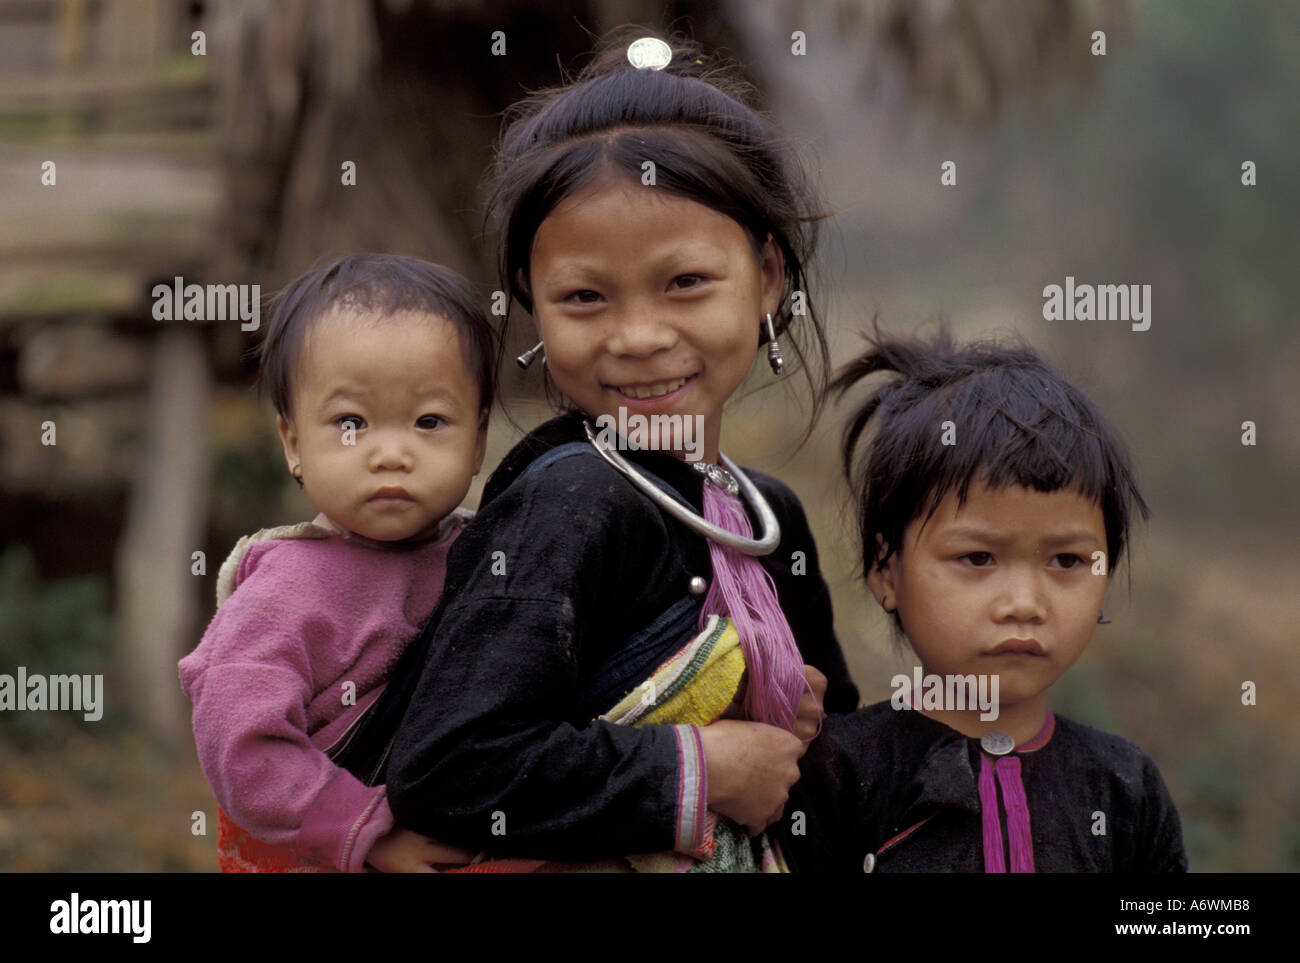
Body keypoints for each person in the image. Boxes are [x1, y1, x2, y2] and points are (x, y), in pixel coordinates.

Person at [380, 31, 860, 871]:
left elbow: (827, 781)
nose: (638, 337)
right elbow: (451, 764)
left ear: (770, 277)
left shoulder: (766, 516)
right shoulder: (569, 504)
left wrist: (800, 737)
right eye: (584, 297)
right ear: (534, 303)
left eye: (685, 283)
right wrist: (704, 766)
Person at [775, 327, 1188, 872]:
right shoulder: (837, 773)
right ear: (885, 570)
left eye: (1066, 561)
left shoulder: (1124, 789)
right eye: (977, 558)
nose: (1024, 603)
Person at [178, 253, 495, 872]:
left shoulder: (492, 554)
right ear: (293, 442)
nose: (391, 453)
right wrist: (366, 830)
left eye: (430, 421)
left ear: (478, 440)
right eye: (351, 423)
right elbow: (240, 743)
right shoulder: (286, 590)